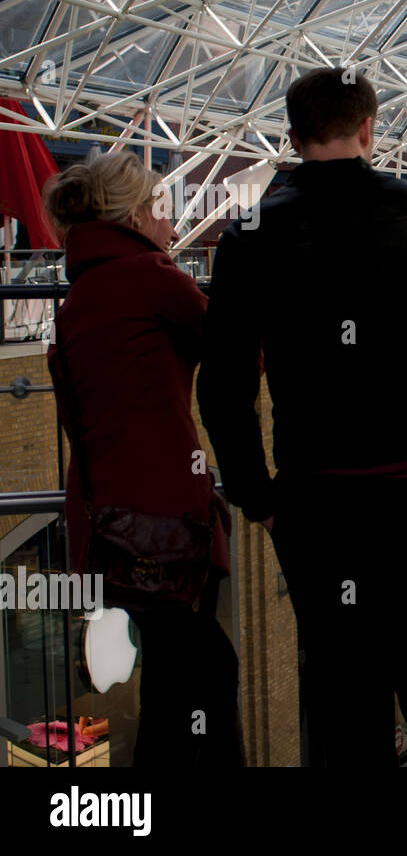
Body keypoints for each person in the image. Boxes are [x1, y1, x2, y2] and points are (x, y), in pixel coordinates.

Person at [197, 68, 407, 767]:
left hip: (317, 504)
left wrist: (258, 497)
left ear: (293, 136)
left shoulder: (251, 234)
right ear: (369, 129)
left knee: (343, 688)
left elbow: (221, 387)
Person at [43, 152, 241, 767]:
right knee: (203, 675)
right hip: (163, 526)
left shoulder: (79, 295)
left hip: (108, 525)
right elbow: (238, 357)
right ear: (134, 215)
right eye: (163, 210)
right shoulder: (149, 275)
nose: (173, 226)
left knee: (175, 679)